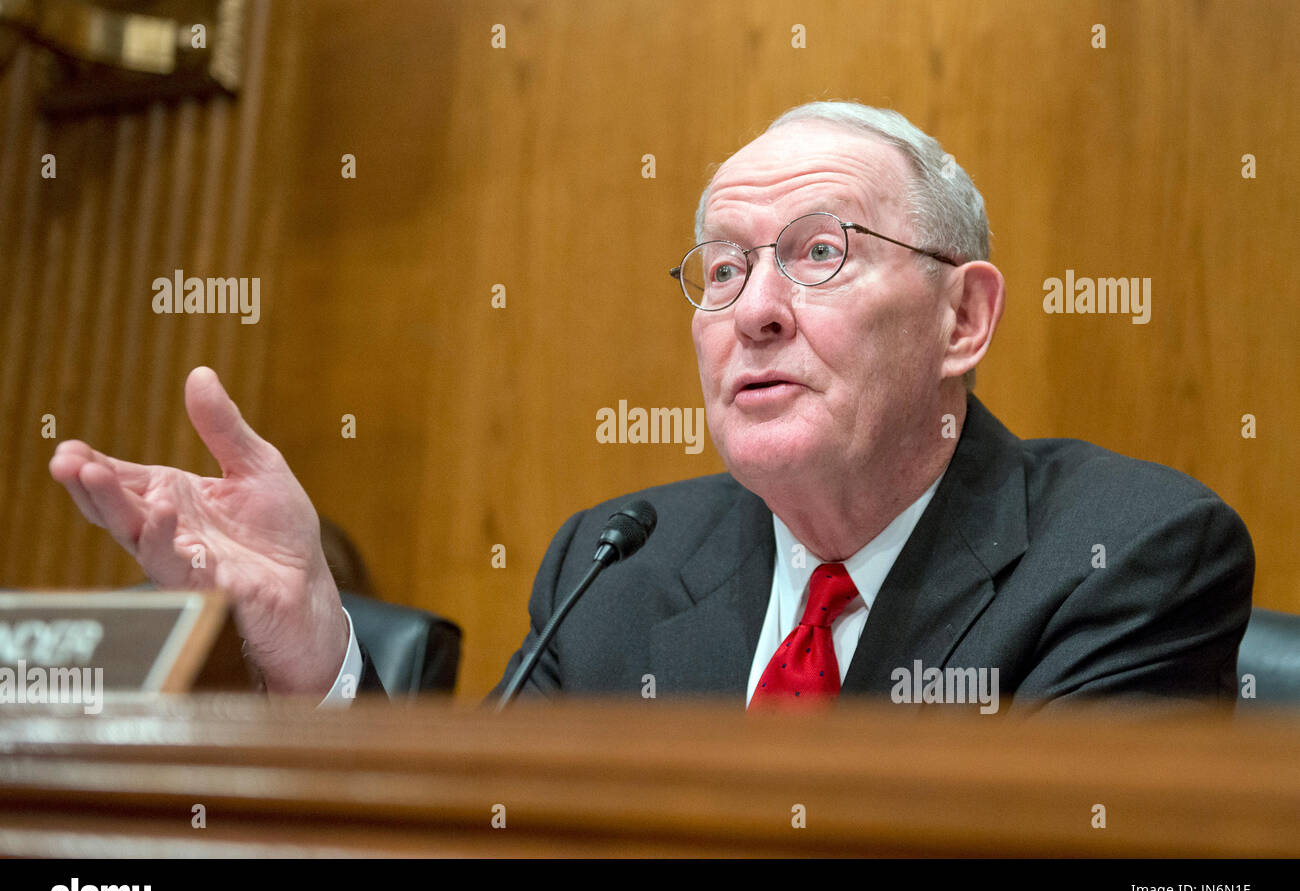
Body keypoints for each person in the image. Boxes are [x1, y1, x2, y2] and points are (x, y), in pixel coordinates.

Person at [49, 101, 1254, 712]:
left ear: (962, 319)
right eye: (721, 270)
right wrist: (320, 662)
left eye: (820, 251)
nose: (755, 310)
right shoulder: (618, 559)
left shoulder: (1128, 555)